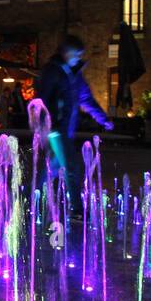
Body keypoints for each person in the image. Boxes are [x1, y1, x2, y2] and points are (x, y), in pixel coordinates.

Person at [35, 35, 113, 202]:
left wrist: (102, 119)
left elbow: (86, 98)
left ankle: (32, 202)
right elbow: (42, 99)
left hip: (65, 129)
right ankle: (77, 210)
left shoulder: (75, 75)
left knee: (53, 167)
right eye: (76, 54)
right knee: (71, 167)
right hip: (55, 129)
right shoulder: (52, 72)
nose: (79, 58)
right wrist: (44, 126)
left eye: (80, 55)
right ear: (66, 53)